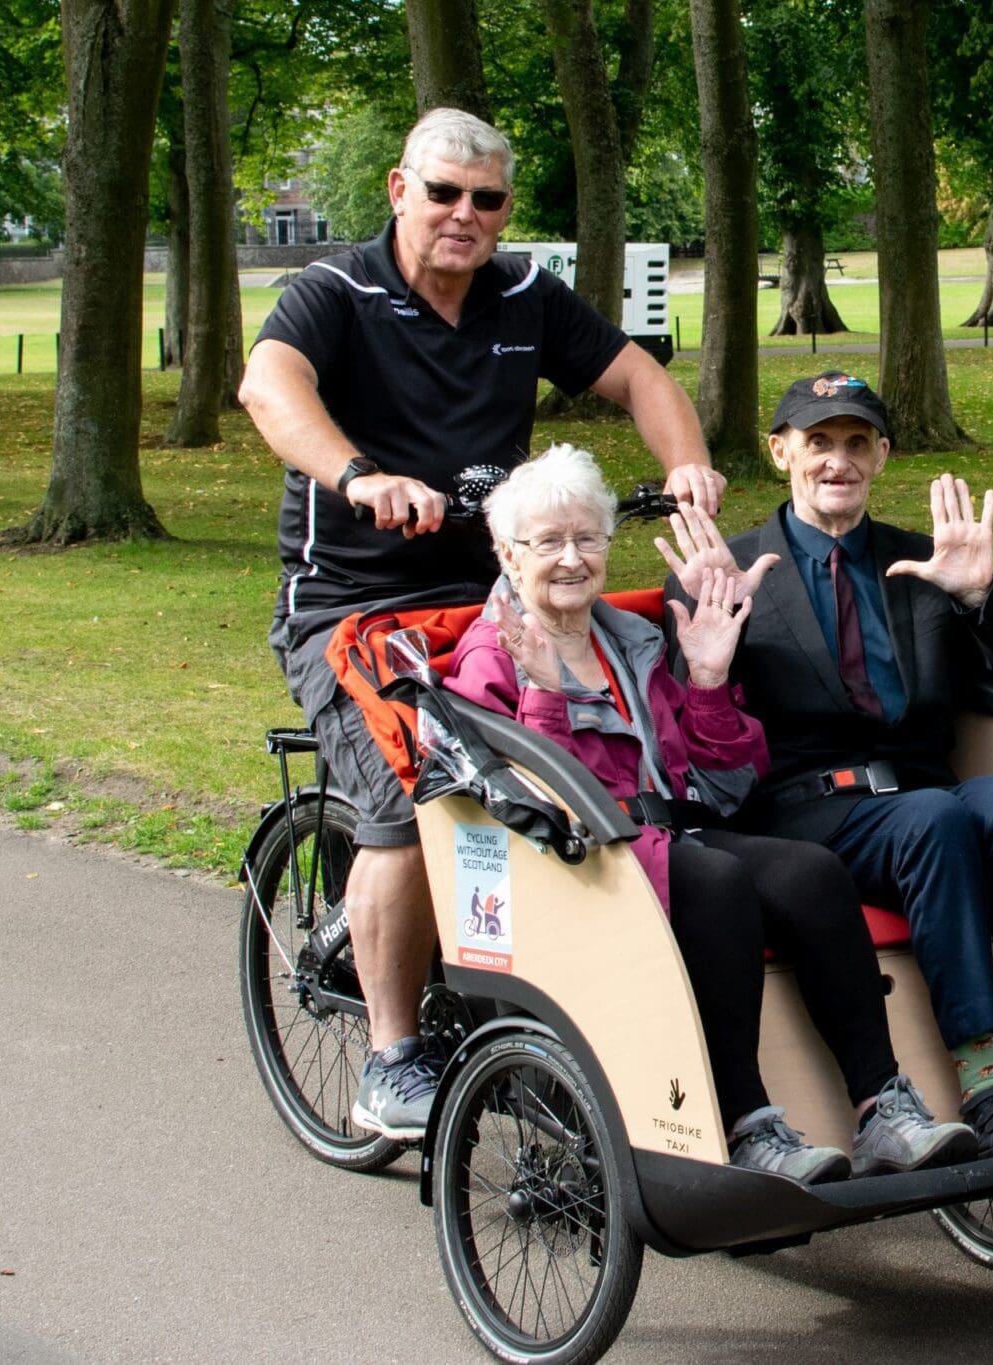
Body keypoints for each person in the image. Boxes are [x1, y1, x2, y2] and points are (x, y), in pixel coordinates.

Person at [236, 107, 726, 1141]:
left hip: (491, 600)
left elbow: (636, 375)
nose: (463, 215)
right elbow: (268, 385)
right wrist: (357, 476)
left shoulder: (521, 296)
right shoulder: (335, 293)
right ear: (397, 190)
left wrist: (683, 462)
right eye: (443, 192)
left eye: (487, 198)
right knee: (411, 790)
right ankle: (389, 1058)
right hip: (356, 611)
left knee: (576, 769)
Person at [664, 372, 993, 1158]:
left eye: (854, 443)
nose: (836, 462)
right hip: (808, 813)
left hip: (920, 795)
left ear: (882, 454)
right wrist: (712, 660)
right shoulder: (731, 570)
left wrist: (981, 598)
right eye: (817, 443)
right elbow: (687, 739)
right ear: (781, 453)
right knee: (938, 815)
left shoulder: (928, 561)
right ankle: (983, 1082)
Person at [444, 444, 980, 1184]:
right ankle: (746, 1121)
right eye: (548, 542)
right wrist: (544, 696)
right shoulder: (491, 656)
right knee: (718, 880)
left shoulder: (626, 638)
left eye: (588, 539)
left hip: (668, 835)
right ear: (507, 551)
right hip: (580, 859)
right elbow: (537, 803)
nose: (572, 559)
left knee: (811, 872)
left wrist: (706, 679)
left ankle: (880, 1104)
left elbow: (721, 788)